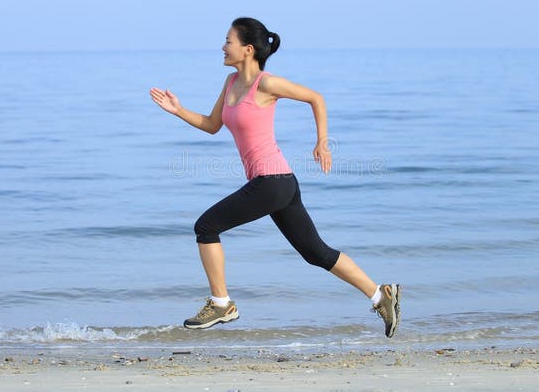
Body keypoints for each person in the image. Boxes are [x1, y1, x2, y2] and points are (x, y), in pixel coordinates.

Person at [149, 18, 400, 336]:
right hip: (279, 183)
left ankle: (222, 303)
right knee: (316, 253)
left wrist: (321, 142)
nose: (223, 47)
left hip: (271, 182)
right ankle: (381, 295)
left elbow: (316, 98)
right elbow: (213, 125)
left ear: (247, 49)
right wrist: (178, 110)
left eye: (228, 41)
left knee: (206, 226)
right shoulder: (229, 82)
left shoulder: (265, 84)